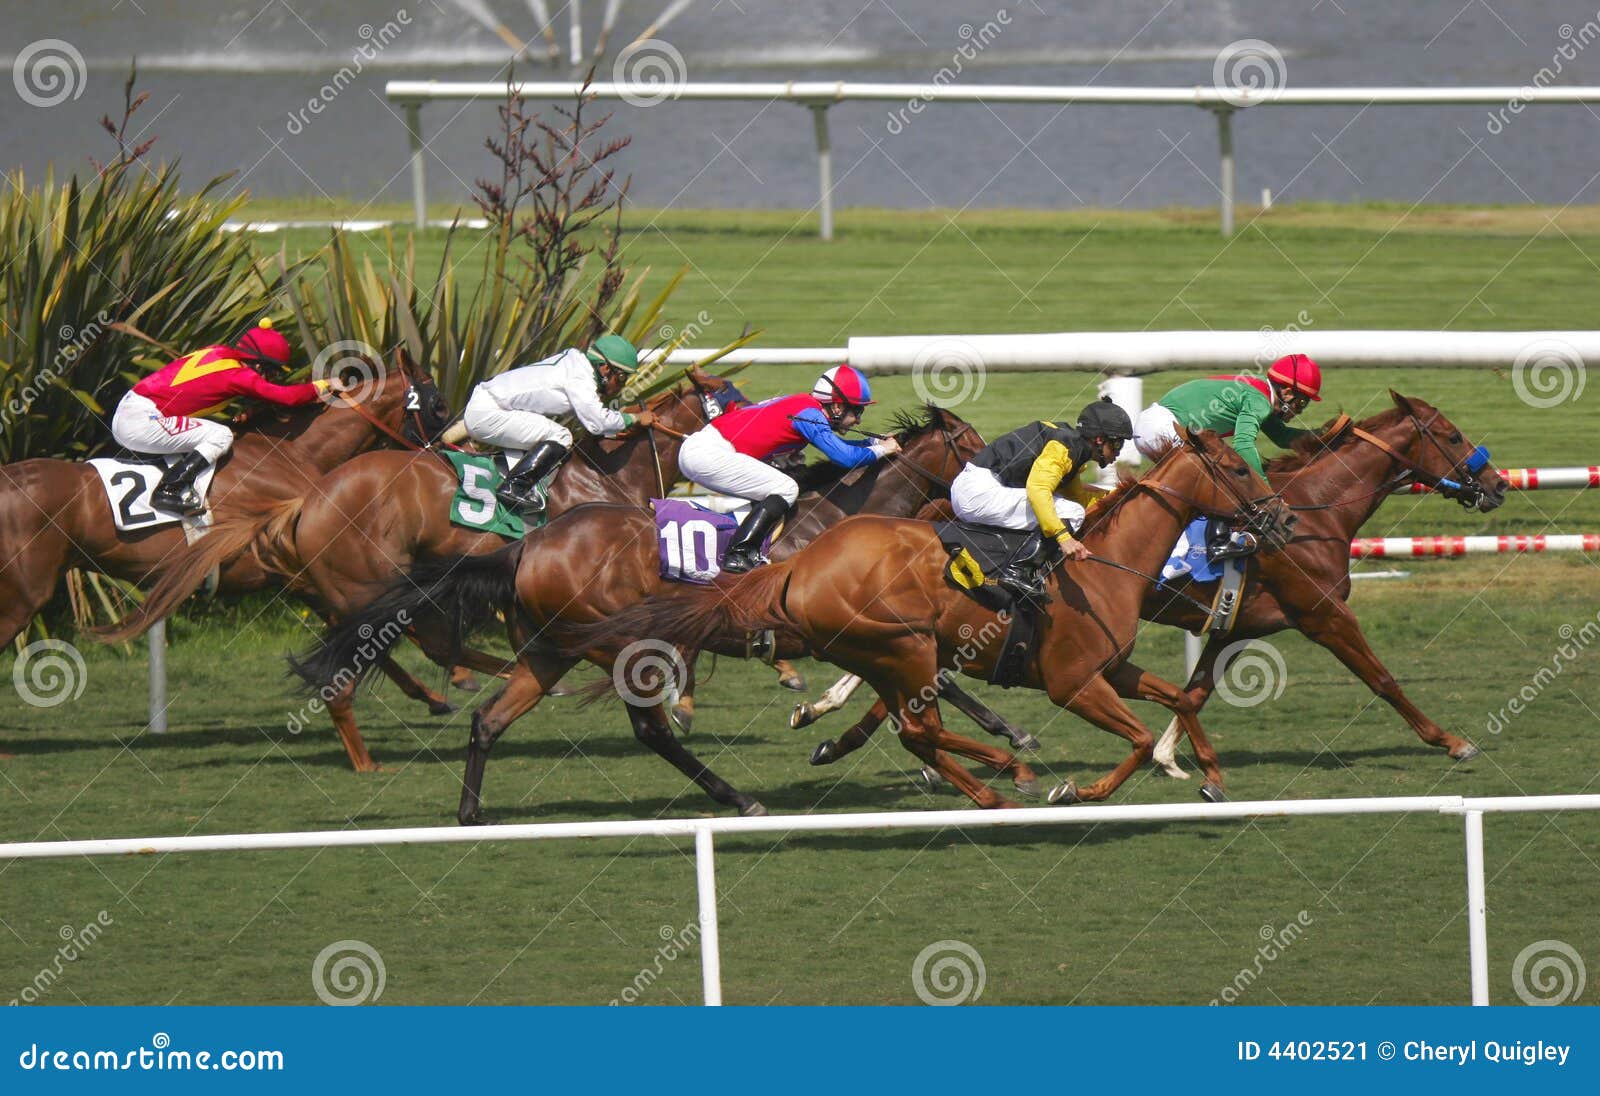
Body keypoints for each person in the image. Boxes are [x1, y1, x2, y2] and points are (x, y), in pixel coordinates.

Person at [677, 364, 900, 573]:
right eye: (857, 412)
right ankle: (739, 554)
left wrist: (876, 444)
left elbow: (841, 447)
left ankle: (742, 544)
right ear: (838, 406)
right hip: (708, 454)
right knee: (786, 487)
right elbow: (844, 457)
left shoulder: (806, 407)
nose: (859, 421)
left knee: (774, 488)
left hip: (707, 449)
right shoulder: (809, 415)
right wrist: (881, 450)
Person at [109, 319, 340, 515]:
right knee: (220, 435)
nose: (271, 378)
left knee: (210, 430)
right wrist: (322, 385)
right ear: (258, 364)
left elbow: (204, 393)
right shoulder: (239, 376)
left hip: (132, 409)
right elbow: (286, 397)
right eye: (271, 372)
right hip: (141, 423)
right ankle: (168, 490)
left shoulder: (218, 353)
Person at [1131, 354, 1321, 561]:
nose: (1300, 411)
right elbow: (1243, 445)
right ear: (1286, 392)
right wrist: (1265, 492)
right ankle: (1216, 543)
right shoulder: (1260, 401)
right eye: (1301, 402)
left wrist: (1325, 436)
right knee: (1224, 475)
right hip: (1163, 428)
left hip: (1156, 425)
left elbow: (1283, 437)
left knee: (1217, 474)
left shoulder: (1261, 395)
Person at [949, 396, 1133, 599]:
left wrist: (1122, 498)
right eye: (1117, 444)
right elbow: (1038, 489)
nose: (1118, 453)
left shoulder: (1072, 448)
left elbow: (1077, 497)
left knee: (1070, 508)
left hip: (977, 488)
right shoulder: (1064, 448)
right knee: (1071, 512)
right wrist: (1064, 538)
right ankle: (1018, 570)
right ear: (1100, 439)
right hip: (978, 493)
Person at [462, 333, 657, 511]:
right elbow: (597, 423)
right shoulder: (579, 379)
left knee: (550, 433)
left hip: (490, 405)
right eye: (621, 378)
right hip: (488, 413)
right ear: (605, 368)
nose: (621, 386)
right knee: (561, 435)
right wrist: (636, 418)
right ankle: (514, 487)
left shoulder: (575, 363)